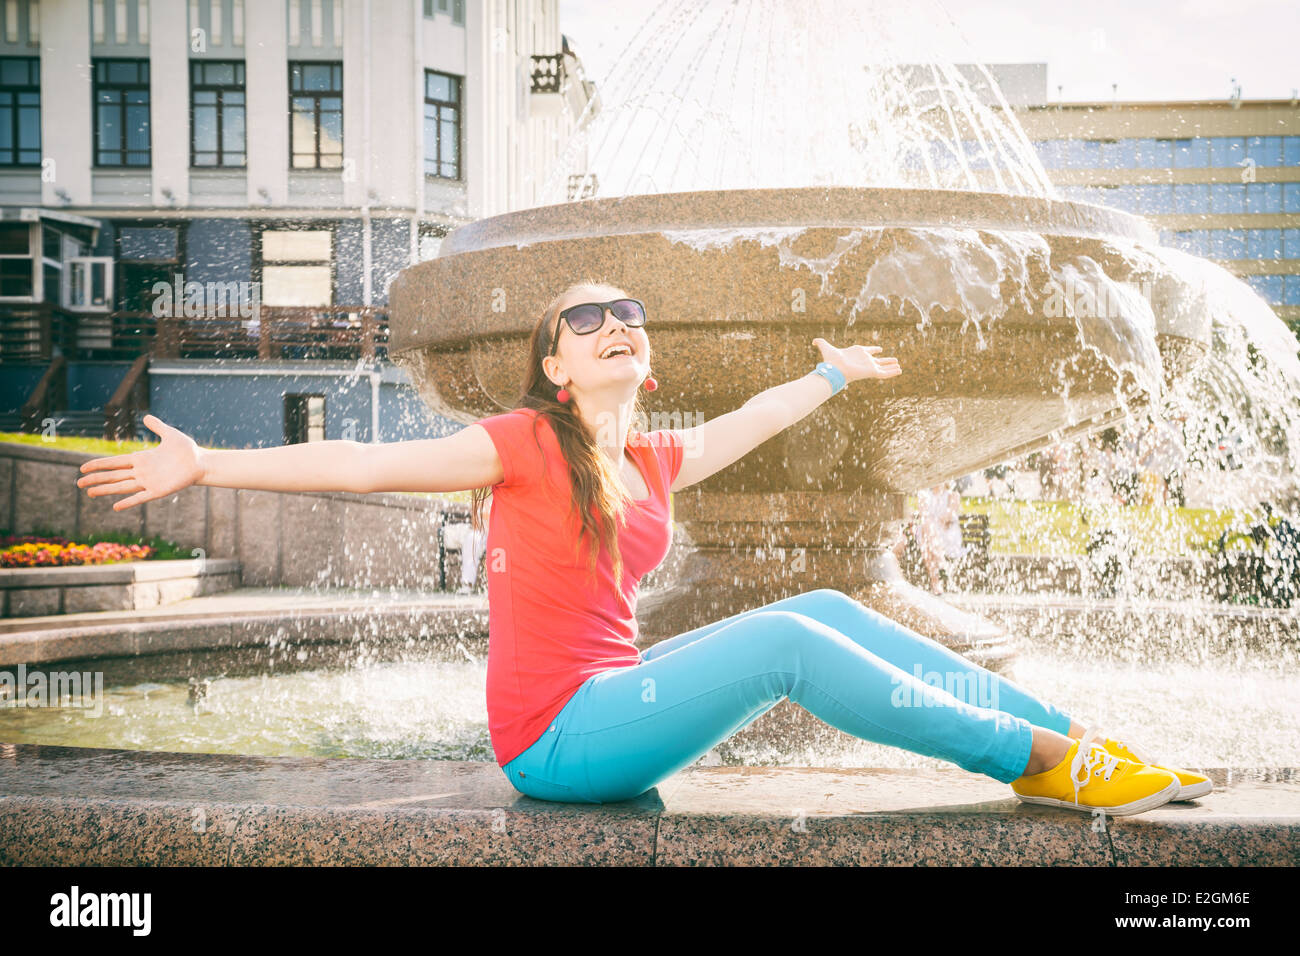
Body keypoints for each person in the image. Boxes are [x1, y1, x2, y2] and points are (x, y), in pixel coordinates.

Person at [74, 280, 1211, 816]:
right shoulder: (521, 441)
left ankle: (1071, 737)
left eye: (626, 314)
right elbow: (365, 465)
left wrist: (829, 373)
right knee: (785, 637)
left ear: (642, 361)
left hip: (616, 711)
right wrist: (210, 466)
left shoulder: (652, 458)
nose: (610, 321)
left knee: (828, 609)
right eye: (582, 319)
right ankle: (1034, 766)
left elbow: (747, 422)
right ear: (557, 366)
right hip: (555, 742)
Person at [915, 481, 965, 596]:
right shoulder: (924, 495)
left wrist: (935, 521)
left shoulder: (952, 495)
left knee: (927, 538)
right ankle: (941, 564)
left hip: (947, 534)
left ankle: (936, 582)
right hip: (929, 534)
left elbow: (948, 517)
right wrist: (933, 522)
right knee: (927, 531)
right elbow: (923, 515)